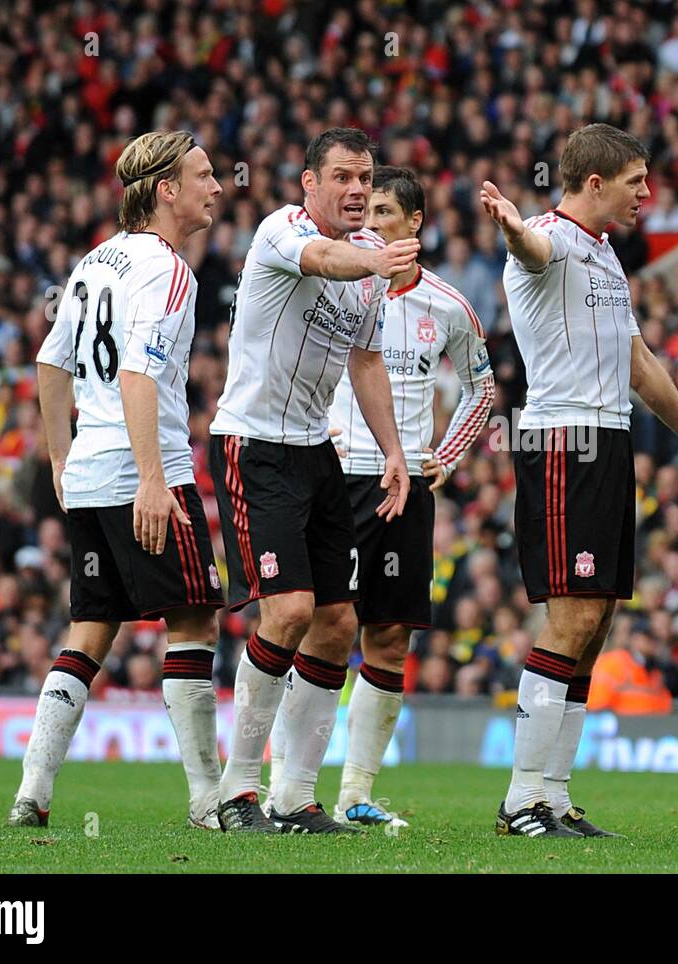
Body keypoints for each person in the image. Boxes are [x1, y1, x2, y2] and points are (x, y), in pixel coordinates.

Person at [481, 123, 678, 837]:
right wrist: (508, 227)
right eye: (635, 183)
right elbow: (528, 250)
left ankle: (553, 796)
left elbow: (639, 361)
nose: (646, 195)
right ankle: (522, 798)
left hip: (609, 443)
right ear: (595, 183)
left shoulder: (604, 256)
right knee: (574, 618)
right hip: (564, 441)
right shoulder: (548, 237)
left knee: (598, 623)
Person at [8, 131, 226, 830]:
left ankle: (32, 791)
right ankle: (206, 799)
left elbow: (50, 362)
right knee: (193, 618)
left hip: (93, 476)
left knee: (91, 627)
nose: (217, 186)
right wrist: (156, 481)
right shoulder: (169, 270)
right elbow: (137, 373)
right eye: (203, 174)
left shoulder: (92, 262)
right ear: (166, 190)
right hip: (141, 471)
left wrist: (60, 461)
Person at [267, 166, 495, 828]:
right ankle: (286, 782)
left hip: (403, 488)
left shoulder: (448, 307)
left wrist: (443, 459)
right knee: (319, 628)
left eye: (386, 213)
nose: (372, 224)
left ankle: (357, 793)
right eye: (366, 214)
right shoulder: (332, 292)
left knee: (389, 637)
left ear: (416, 223)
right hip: (335, 480)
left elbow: (481, 389)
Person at [208, 128, 416, 834]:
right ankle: (234, 791)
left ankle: (293, 797)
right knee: (289, 611)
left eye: (365, 178)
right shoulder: (283, 232)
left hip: (315, 451)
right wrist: (374, 260)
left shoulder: (370, 276)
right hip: (254, 445)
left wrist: (393, 450)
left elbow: (365, 363)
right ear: (309, 183)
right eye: (342, 177)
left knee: (336, 623)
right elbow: (325, 259)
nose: (357, 189)